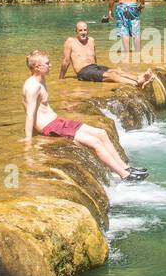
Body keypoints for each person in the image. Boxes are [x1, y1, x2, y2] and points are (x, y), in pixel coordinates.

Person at [23, 51, 148, 181]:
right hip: (50, 127)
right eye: (47, 63)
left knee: (101, 133)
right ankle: (125, 175)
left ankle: (125, 167)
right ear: (37, 67)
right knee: (95, 142)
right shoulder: (33, 86)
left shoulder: (41, 80)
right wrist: (28, 141)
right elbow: (29, 115)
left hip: (57, 122)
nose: (51, 65)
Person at [60, 21, 155, 87]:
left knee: (117, 70)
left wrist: (100, 70)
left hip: (94, 67)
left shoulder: (91, 40)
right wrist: (61, 79)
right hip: (84, 72)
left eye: (85, 30)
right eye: (80, 30)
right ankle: (137, 84)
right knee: (112, 75)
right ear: (76, 31)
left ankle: (139, 77)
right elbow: (66, 61)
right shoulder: (70, 41)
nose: (83, 32)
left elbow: (94, 58)